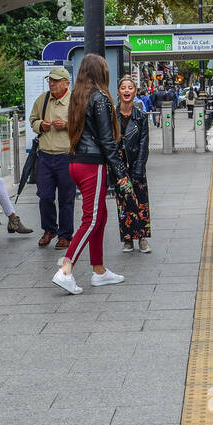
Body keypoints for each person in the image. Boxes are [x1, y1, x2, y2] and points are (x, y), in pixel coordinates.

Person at [53, 54, 130, 295]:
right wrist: (120, 172)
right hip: (92, 165)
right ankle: (66, 269)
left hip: (76, 162)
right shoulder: (101, 98)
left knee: (100, 216)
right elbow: (107, 139)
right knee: (92, 219)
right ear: (100, 72)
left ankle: (99, 270)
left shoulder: (78, 96)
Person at [30, 66, 76, 251]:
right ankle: (49, 229)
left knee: (66, 199)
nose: (52, 83)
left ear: (66, 83)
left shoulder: (74, 101)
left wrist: (66, 125)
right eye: (50, 80)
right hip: (45, 156)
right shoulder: (43, 100)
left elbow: (83, 124)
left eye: (56, 80)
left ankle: (65, 235)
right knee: (45, 196)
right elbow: (32, 120)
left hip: (67, 156)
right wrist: (41, 125)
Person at [114, 75, 152, 253]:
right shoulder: (111, 116)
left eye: (130, 88)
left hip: (137, 165)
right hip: (118, 166)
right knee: (124, 204)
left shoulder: (141, 117)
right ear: (118, 91)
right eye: (123, 88)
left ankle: (142, 238)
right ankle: (128, 239)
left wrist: (138, 169)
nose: (127, 91)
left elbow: (144, 145)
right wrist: (117, 169)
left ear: (135, 91)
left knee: (141, 202)